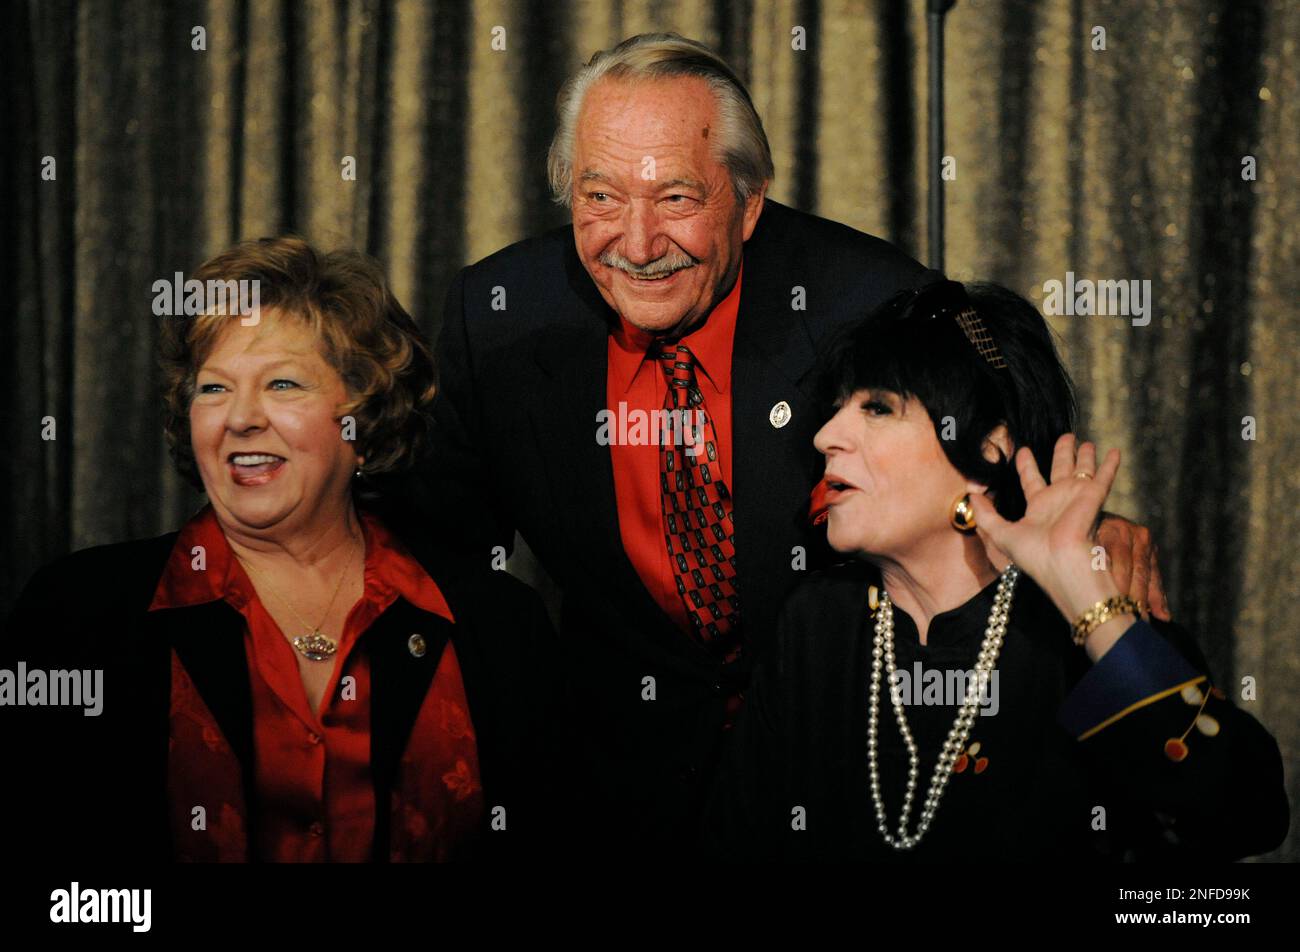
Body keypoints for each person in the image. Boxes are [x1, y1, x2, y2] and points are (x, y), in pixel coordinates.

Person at [391, 32, 1170, 853]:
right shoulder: (503, 313)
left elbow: (983, 451)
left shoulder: (870, 299)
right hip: (612, 782)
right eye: (601, 197)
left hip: (850, 770)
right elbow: (440, 552)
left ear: (749, 201)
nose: (638, 243)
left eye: (678, 200)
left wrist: (1089, 536)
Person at [0, 237, 559, 862]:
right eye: (213, 389)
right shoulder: (76, 614)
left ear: (365, 423)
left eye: (283, 384)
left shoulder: (500, 626)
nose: (240, 418)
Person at [707, 280, 1290, 860]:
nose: (826, 435)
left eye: (878, 408)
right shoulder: (818, 622)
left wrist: (1089, 601)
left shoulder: (1079, 629)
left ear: (987, 449)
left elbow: (1248, 817)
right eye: (837, 409)